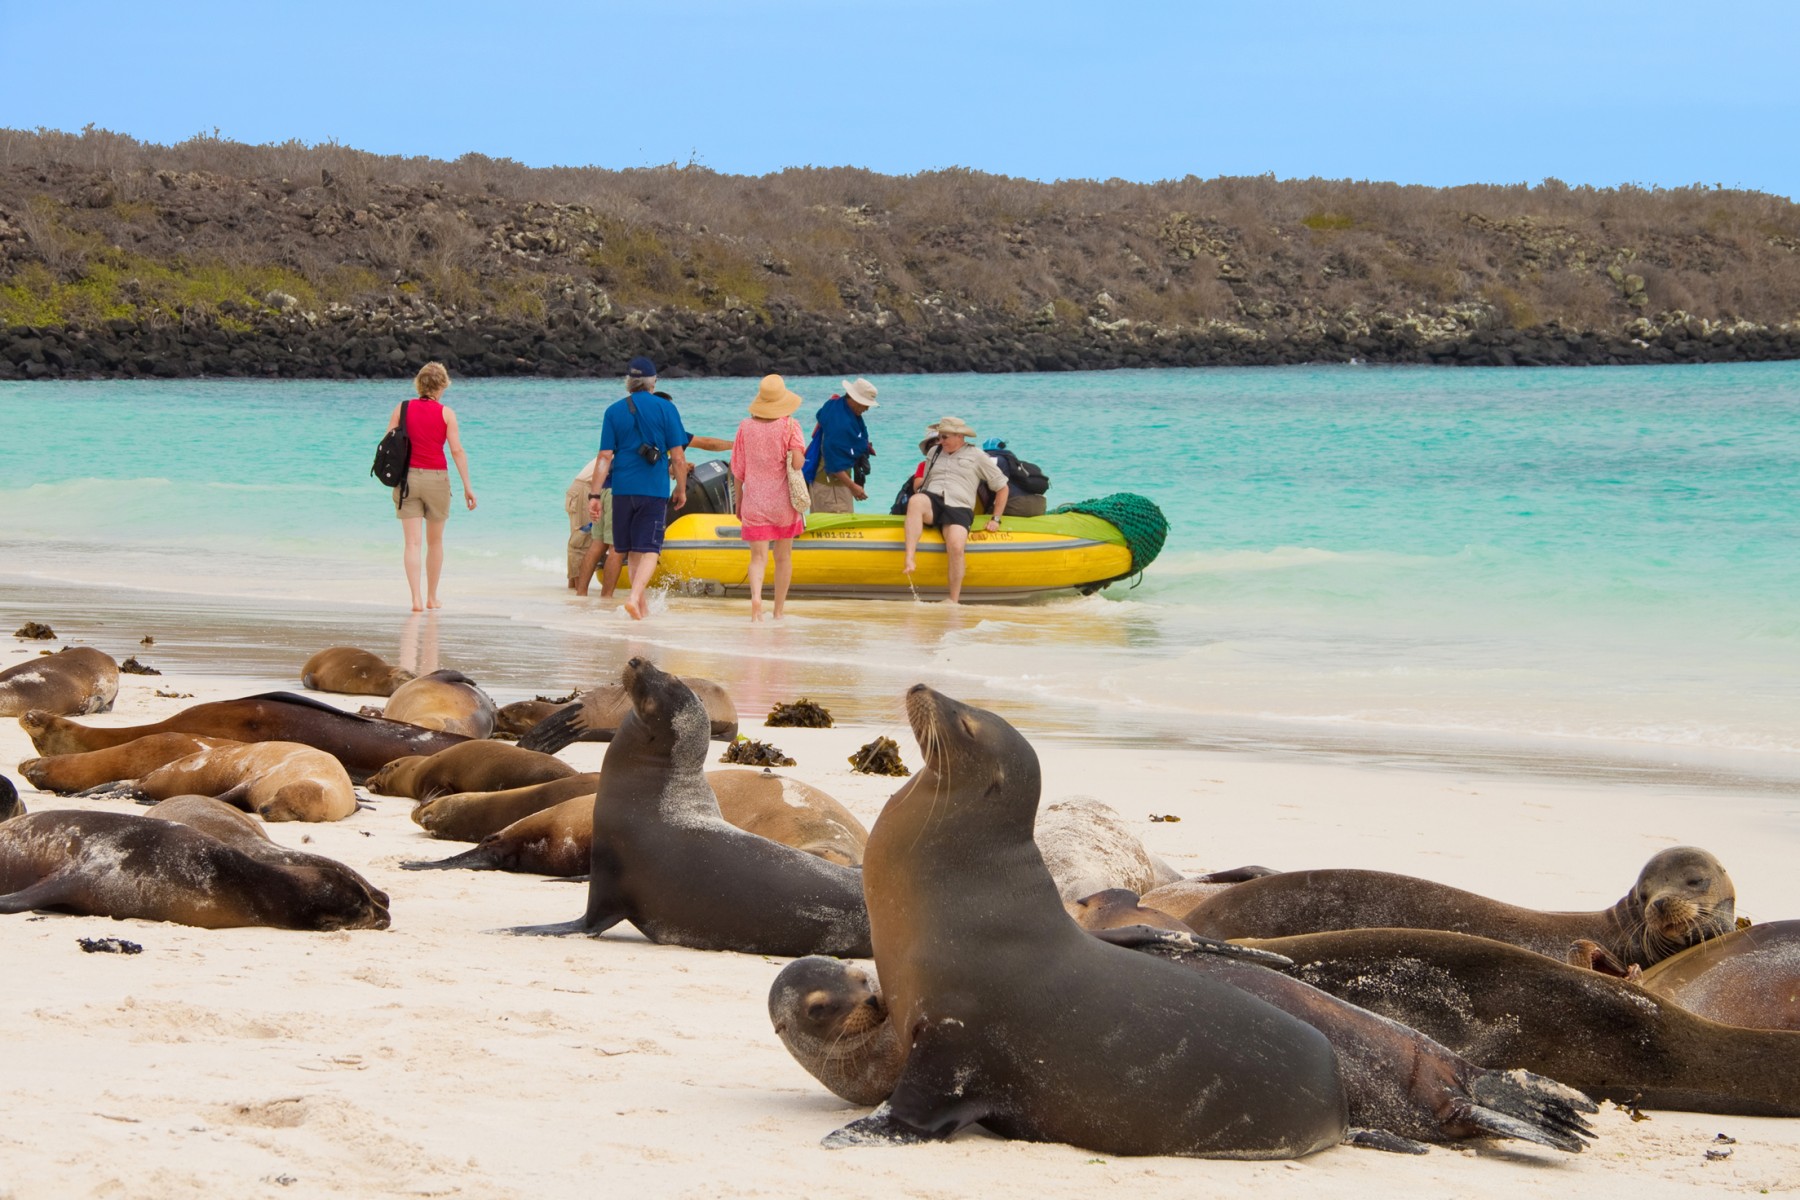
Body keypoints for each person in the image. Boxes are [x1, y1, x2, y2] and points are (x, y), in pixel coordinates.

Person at [574, 396, 731, 599]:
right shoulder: (667, 428)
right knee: (616, 548)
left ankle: (581, 595)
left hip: (608, 487)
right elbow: (706, 444)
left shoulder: (632, 424)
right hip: (624, 493)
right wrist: (735, 444)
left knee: (597, 544)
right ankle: (606, 598)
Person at [584, 356, 688, 620]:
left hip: (621, 490)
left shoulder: (613, 411)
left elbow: (604, 457)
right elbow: (678, 457)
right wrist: (681, 488)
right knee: (650, 550)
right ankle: (633, 598)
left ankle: (640, 609)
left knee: (630, 550)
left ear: (628, 382)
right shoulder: (666, 408)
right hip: (653, 490)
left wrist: (594, 494)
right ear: (653, 382)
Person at [385, 361, 475, 612]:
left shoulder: (402, 408)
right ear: (442, 386)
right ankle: (431, 597)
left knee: (412, 544)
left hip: (407, 480)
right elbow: (456, 451)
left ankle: (415, 599)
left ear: (419, 384)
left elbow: (388, 442)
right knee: (435, 543)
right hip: (437, 480)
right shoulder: (447, 414)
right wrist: (467, 486)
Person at [901, 415, 1009, 604]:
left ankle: (953, 599)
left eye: (945, 437)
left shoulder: (977, 455)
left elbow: (1002, 487)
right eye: (939, 436)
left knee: (957, 547)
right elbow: (924, 482)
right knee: (916, 501)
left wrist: (995, 519)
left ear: (960, 436)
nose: (941, 441)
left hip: (959, 505)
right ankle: (910, 557)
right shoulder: (934, 452)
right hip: (933, 500)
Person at [730, 374, 808, 622]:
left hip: (754, 501)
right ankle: (778, 611)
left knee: (757, 558)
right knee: (783, 558)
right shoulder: (790, 425)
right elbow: (797, 463)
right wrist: (797, 452)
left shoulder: (745, 427)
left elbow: (738, 470)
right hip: (783, 502)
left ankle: (756, 599)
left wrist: (739, 502)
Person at [803, 377, 878, 512]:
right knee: (841, 523)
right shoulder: (841, 425)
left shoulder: (833, 404)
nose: (867, 408)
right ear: (854, 399)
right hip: (832, 487)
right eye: (865, 404)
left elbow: (820, 416)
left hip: (821, 484)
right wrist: (853, 487)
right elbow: (833, 463)